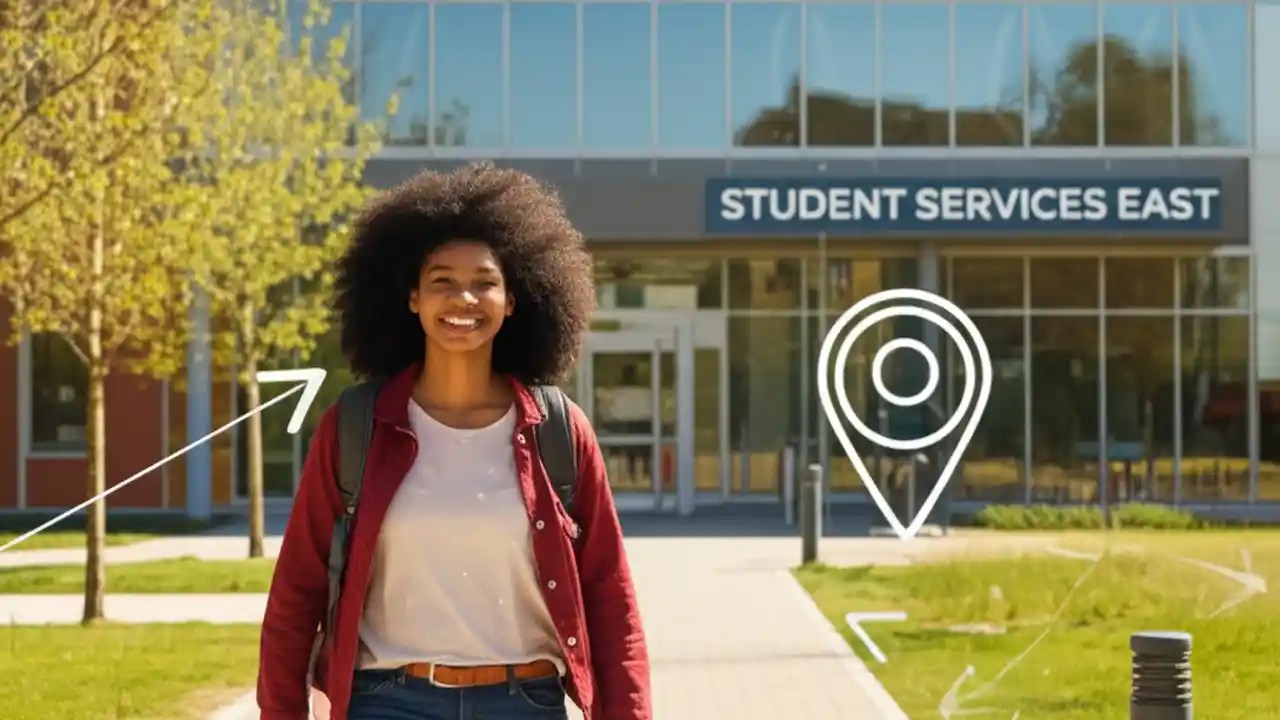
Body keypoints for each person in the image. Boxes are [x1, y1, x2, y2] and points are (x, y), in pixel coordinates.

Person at [256, 162, 652, 720]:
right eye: (442, 281)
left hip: (526, 703)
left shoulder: (558, 431)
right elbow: (295, 596)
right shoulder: (355, 428)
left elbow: (611, 601)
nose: (463, 298)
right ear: (413, 298)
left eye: (484, 281)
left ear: (513, 299)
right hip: (387, 703)